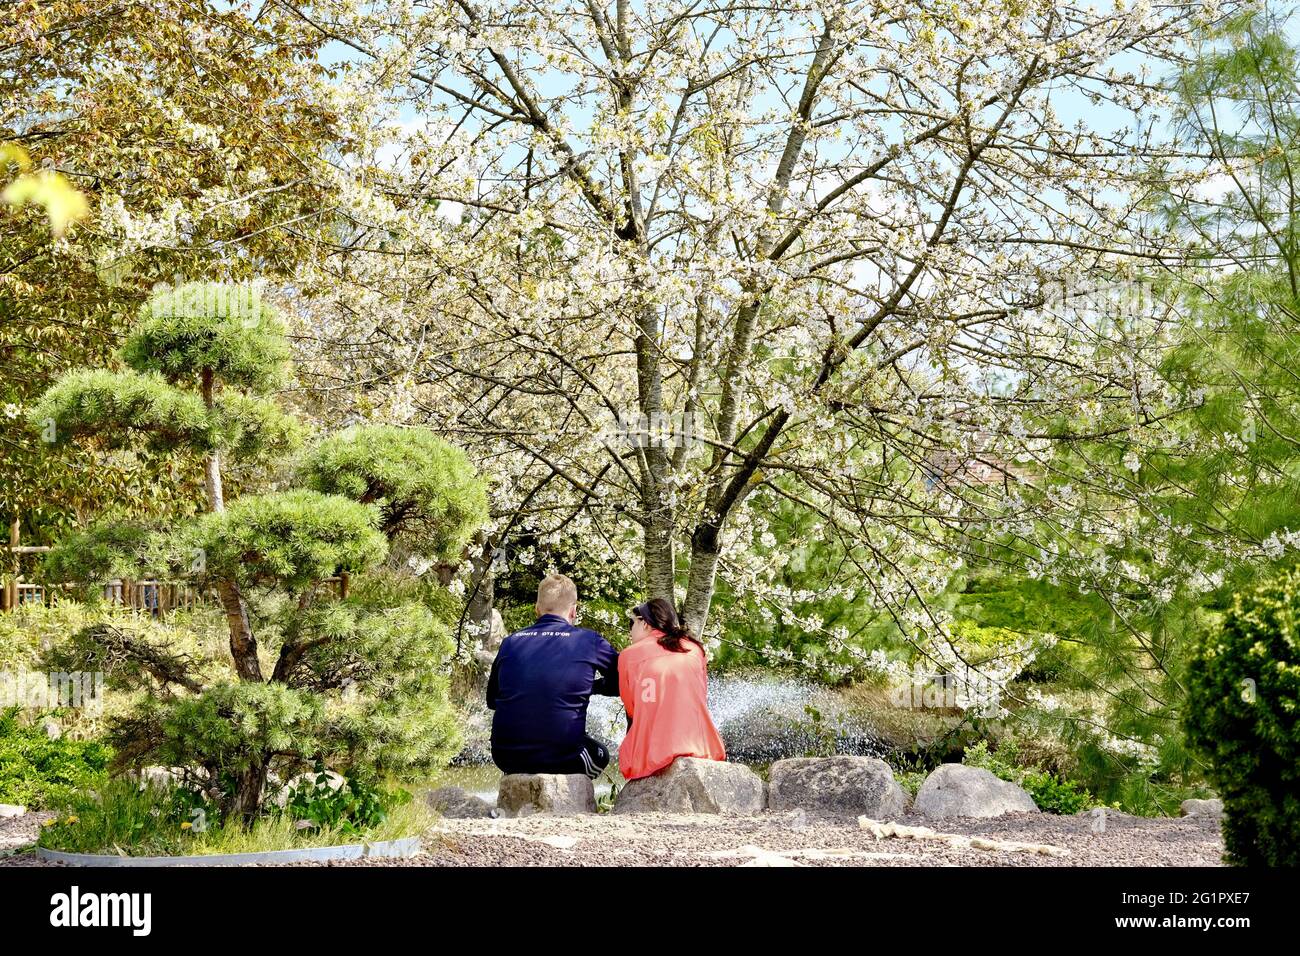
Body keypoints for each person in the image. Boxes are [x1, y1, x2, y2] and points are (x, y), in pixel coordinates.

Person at [486, 573, 619, 779]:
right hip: (564, 757)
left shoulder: (510, 642)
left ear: (536, 609)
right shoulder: (589, 640)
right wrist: (593, 687)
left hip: (506, 756)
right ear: (574, 611)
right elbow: (622, 682)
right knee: (601, 755)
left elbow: (492, 701)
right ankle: (568, 802)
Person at [617, 597, 726, 780]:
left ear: (644, 623)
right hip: (702, 746)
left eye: (632, 623)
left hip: (652, 754)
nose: (630, 631)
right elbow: (700, 694)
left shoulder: (629, 656)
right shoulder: (694, 649)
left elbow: (631, 708)